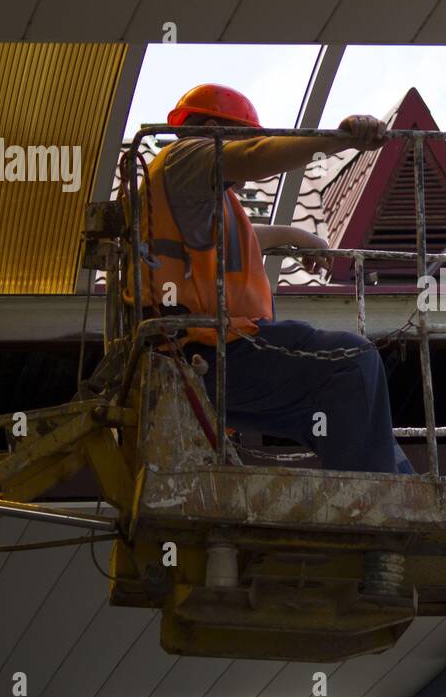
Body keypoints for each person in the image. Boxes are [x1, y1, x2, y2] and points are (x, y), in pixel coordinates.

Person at [131, 83, 414, 475]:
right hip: (201, 352)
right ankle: (378, 499)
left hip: (210, 352)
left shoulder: (197, 191)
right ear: (213, 130)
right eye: (244, 140)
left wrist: (296, 236)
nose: (245, 173)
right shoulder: (185, 158)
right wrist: (339, 139)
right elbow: (256, 158)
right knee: (352, 359)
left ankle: (391, 489)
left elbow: (241, 238)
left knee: (346, 409)